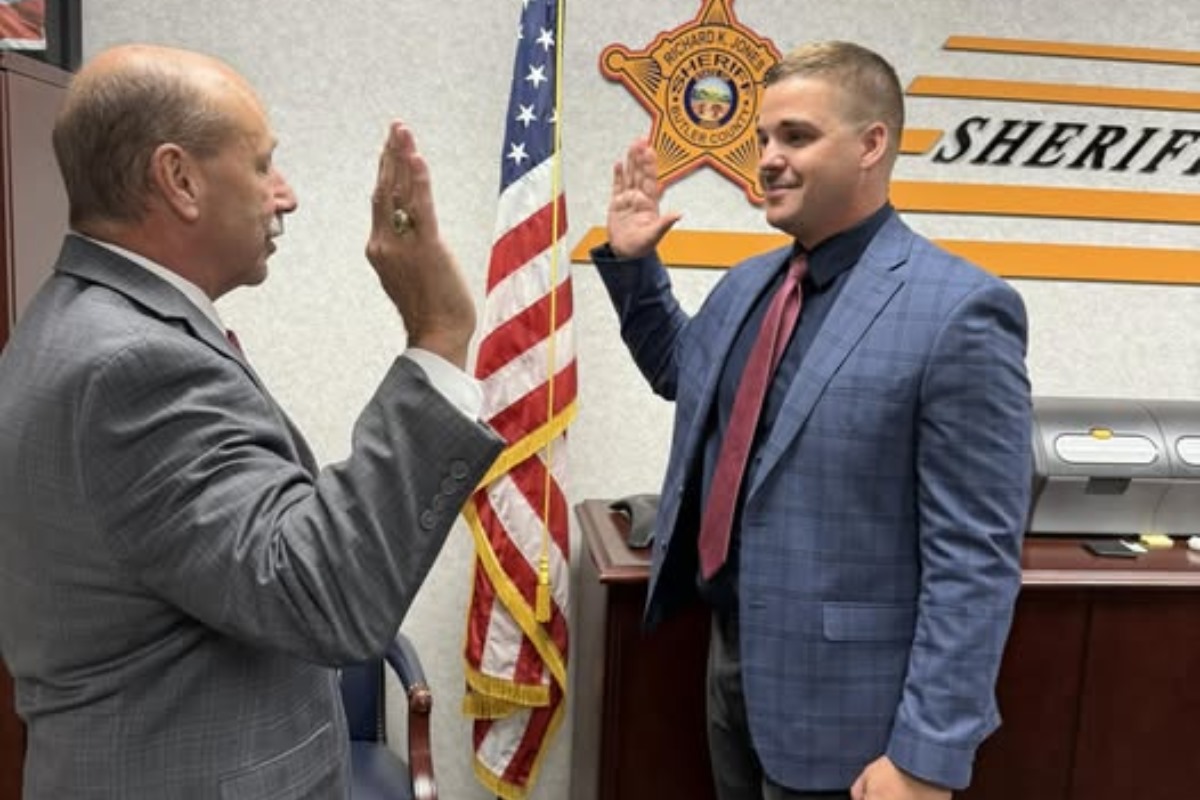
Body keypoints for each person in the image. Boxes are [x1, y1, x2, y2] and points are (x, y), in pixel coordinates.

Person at [0, 44, 502, 798]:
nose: (286, 194)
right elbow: (325, 594)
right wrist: (438, 333)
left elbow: (244, 554)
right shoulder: (130, 364)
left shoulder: (86, 320)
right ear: (179, 180)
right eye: (264, 164)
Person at [592, 41, 1031, 800]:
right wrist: (634, 266)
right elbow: (683, 375)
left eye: (795, 137)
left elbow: (977, 556)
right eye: (763, 139)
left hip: (854, 713)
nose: (766, 158)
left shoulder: (960, 310)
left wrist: (926, 757)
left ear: (871, 145)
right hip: (732, 663)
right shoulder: (752, 282)